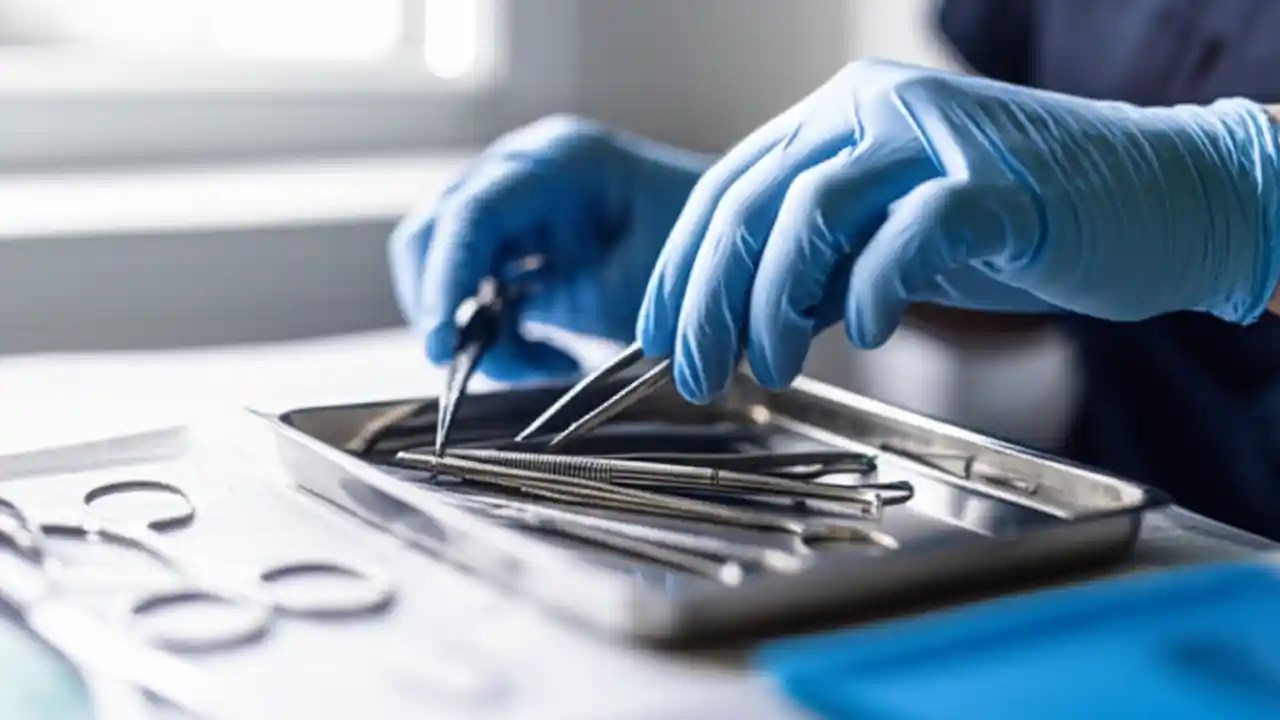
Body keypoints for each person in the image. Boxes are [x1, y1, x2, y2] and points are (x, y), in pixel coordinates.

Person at [389, 0, 1280, 539]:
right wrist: (817, 234)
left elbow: (1162, 214)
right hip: (1148, 544)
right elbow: (1032, 245)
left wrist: (1242, 198)